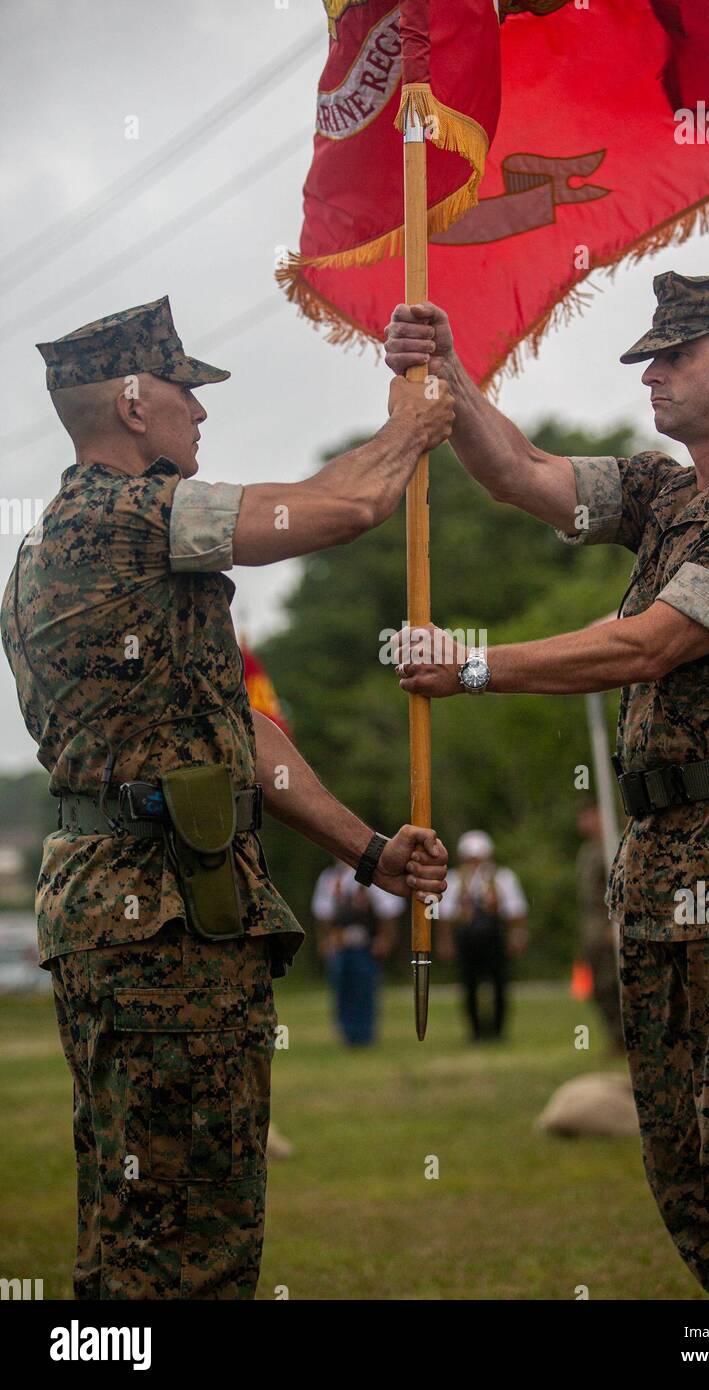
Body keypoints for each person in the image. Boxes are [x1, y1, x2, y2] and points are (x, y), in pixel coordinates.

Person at [384, 272, 709, 1300]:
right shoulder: (665, 497)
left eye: (673, 355)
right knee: (691, 1181)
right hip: (664, 885)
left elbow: (651, 644)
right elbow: (516, 473)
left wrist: (470, 664)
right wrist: (450, 376)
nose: (650, 373)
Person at [0, 294, 453, 1300]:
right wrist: (411, 423)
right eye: (184, 392)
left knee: (152, 1215)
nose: (200, 414)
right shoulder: (123, 518)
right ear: (130, 403)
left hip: (143, 914)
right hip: (157, 922)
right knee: (181, 1241)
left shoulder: (51, 548)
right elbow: (344, 509)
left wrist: (366, 850)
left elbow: (232, 731)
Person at [436, 830, 528, 1041]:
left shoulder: (503, 878)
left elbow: (516, 912)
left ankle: (497, 1031)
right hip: (467, 940)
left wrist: (517, 936)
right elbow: (445, 917)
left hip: (494, 939)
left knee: (499, 985)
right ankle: (475, 1032)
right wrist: (445, 943)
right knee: (469, 986)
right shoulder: (453, 880)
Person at [312, 858, 403, 1045]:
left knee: (364, 988)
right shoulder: (330, 877)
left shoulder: (372, 876)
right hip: (340, 942)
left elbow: (388, 910)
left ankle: (365, 1033)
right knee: (342, 986)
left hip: (365, 942)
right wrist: (324, 941)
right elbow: (322, 913)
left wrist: (385, 938)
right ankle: (347, 1033)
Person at [574, 799, 624, 1053]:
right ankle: (613, 1035)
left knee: (613, 982)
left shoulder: (613, 848)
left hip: (607, 928)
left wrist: (612, 926)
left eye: (587, 816)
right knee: (598, 985)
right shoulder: (587, 851)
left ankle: (623, 1036)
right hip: (591, 928)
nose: (581, 822)